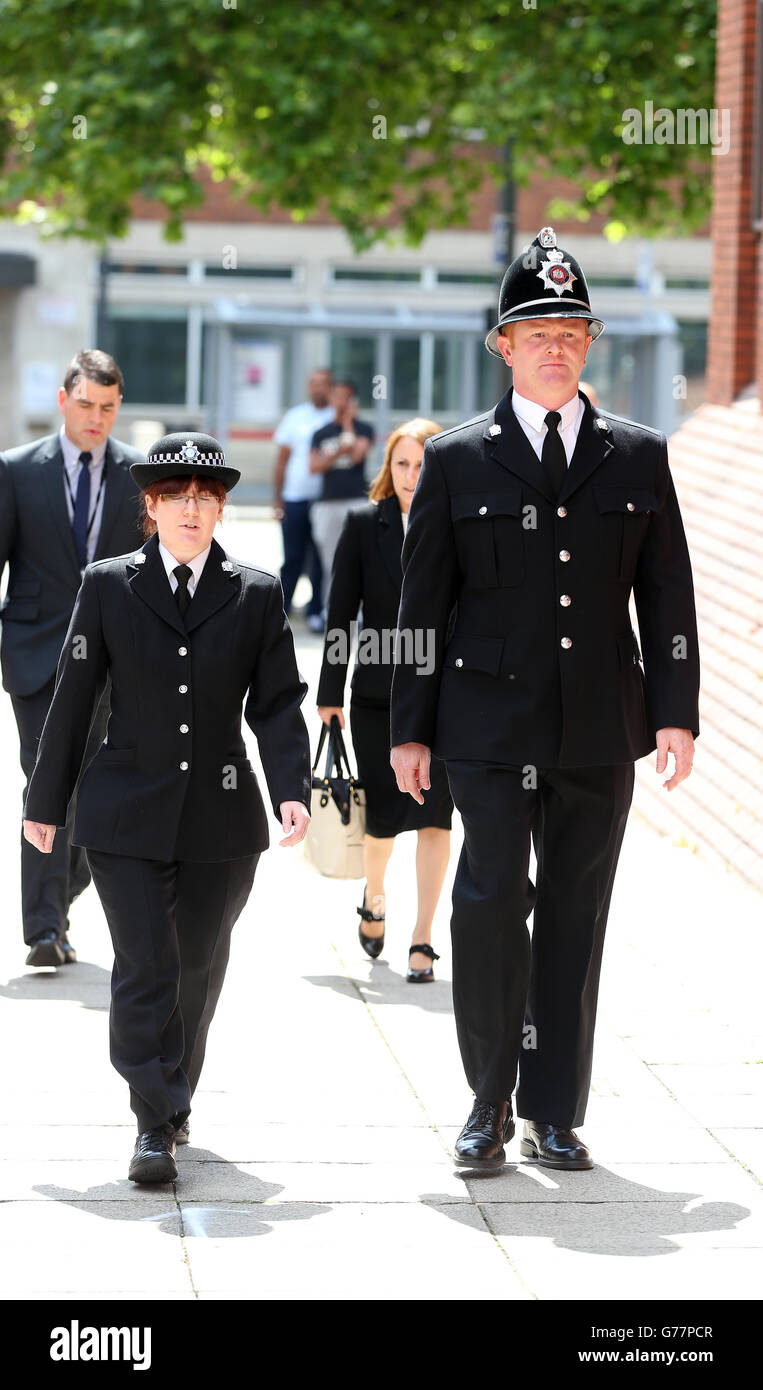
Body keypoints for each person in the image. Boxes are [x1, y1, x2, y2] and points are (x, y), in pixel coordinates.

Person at [390, 226, 700, 1172]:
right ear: (503, 347)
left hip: (599, 728)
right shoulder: (455, 459)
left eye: (571, 328)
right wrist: (408, 728)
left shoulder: (638, 457)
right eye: (536, 330)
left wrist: (674, 709)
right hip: (484, 727)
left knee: (575, 911)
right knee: (487, 905)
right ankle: (487, 1100)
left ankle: (554, 1109)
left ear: (590, 342)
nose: (555, 343)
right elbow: (420, 605)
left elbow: (668, 591)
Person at [23, 433, 311, 1183]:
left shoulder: (254, 592)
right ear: (149, 507)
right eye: (176, 496)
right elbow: (75, 698)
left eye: (205, 496)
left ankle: (172, 1100)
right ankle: (153, 1122)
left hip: (221, 819)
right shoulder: (108, 585)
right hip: (125, 812)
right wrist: (44, 799)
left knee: (198, 969)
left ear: (220, 508)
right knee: (145, 963)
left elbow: (278, 704)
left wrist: (290, 787)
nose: (191, 508)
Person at [0, 350, 144, 968]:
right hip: (35, 654)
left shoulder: (136, 474)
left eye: (108, 408)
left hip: (109, 662)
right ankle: (43, 929)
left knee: (95, 792)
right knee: (44, 782)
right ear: (64, 401)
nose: (96, 418)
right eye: (86, 405)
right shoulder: (15, 472)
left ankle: (61, 894)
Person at [317, 419, 453, 982]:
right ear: (387, 467)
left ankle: (422, 936)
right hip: (376, 693)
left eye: (422, 465)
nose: (411, 475)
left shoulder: (454, 524)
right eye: (402, 463)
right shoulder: (361, 524)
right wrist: (329, 691)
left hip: (445, 695)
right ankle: (374, 897)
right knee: (381, 813)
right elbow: (341, 610)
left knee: (436, 817)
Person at [272, 368, 334, 633]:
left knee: (320, 559)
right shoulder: (295, 417)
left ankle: (315, 611)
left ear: (330, 387)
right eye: (313, 383)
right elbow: (282, 460)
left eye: (323, 384)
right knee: (293, 556)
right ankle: (280, 610)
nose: (318, 388)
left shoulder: (336, 417)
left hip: (324, 500)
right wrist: (278, 498)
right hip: (294, 497)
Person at [309, 379, 374, 612]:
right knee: (330, 561)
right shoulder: (320, 433)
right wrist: (339, 450)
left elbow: (357, 455)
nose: (341, 402)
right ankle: (332, 610)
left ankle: (360, 612)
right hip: (328, 503)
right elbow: (314, 466)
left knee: (360, 559)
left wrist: (348, 424)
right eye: (337, 396)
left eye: (346, 397)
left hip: (357, 501)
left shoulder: (364, 429)